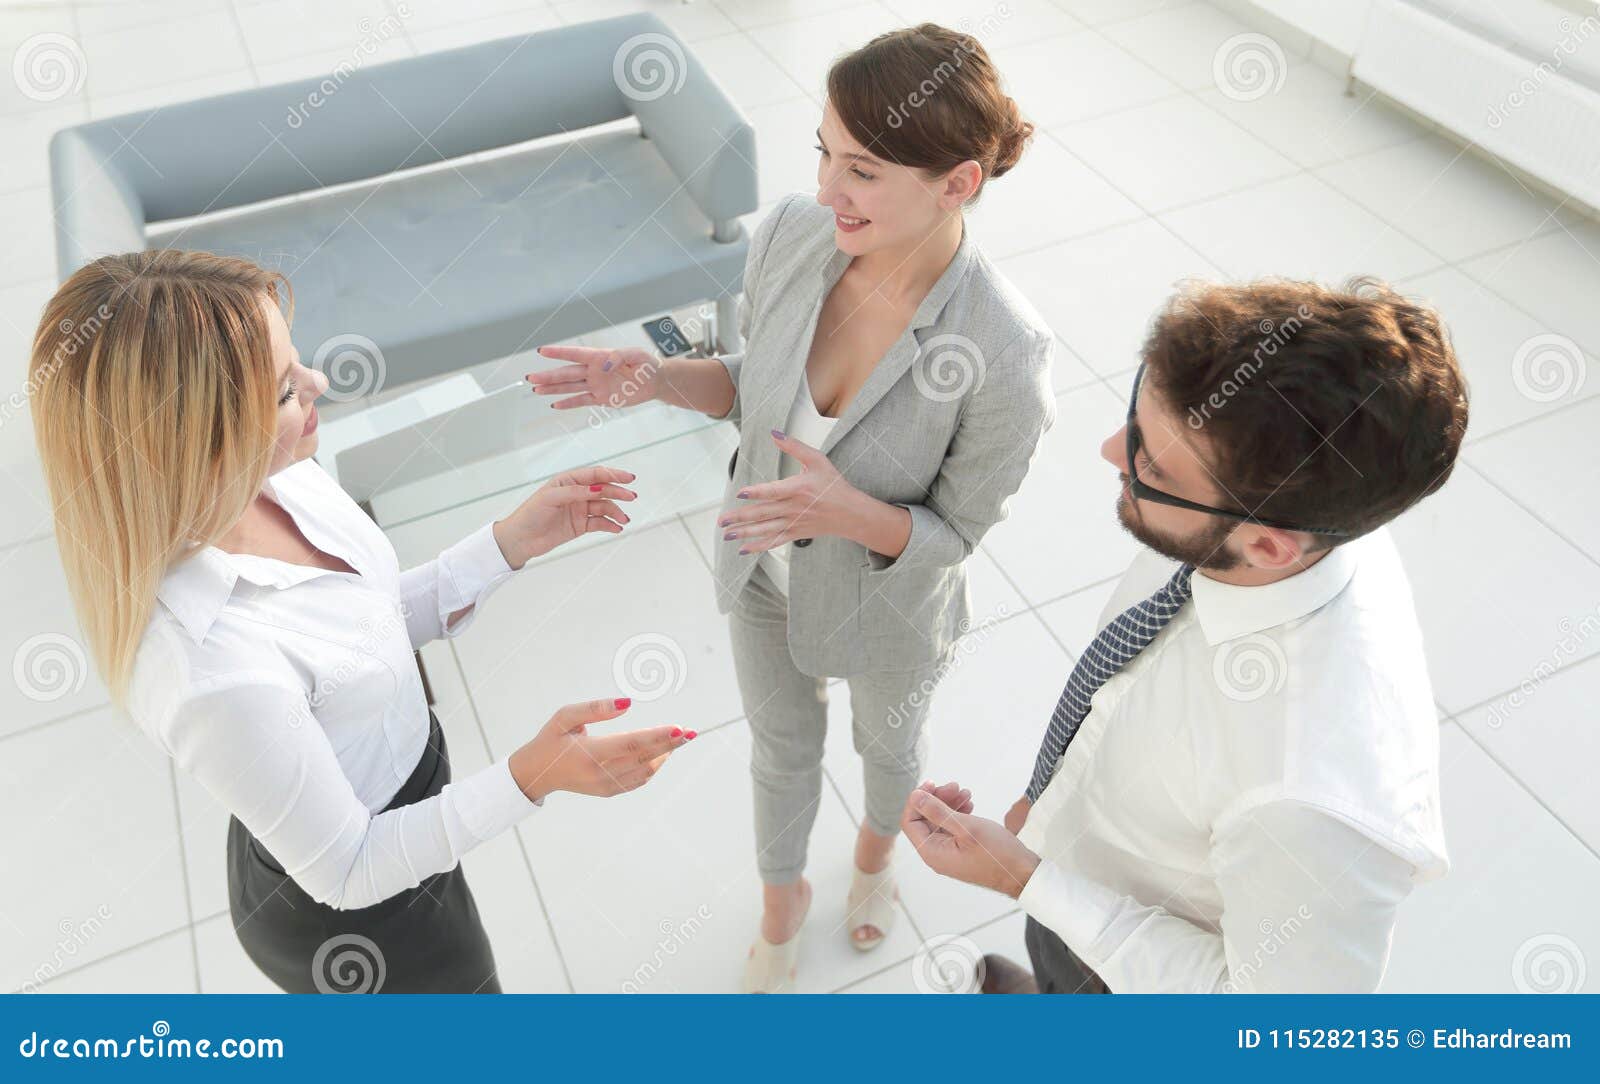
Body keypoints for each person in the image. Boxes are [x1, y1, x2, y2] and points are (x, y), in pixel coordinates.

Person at [527, 24, 1054, 991]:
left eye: (860, 170)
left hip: (890, 609)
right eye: (822, 151)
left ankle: (873, 861)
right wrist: (651, 379)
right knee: (781, 749)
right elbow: (747, 382)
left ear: (958, 184)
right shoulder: (792, 235)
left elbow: (960, 535)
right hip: (761, 573)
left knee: (889, 749)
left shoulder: (1005, 351)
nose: (825, 191)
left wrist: (846, 509)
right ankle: (782, 901)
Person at [30, 250, 697, 994]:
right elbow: (349, 868)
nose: (319, 385)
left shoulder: (277, 476)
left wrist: (512, 541)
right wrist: (533, 776)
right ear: (201, 441)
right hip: (357, 921)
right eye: (286, 389)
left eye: (297, 362)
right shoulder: (209, 671)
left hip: (386, 816)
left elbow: (364, 630)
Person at [903, 278, 1469, 993]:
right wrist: (1046, 820)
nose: (1112, 451)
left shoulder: (1311, 801)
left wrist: (1027, 878)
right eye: (1137, 423)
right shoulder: (1278, 527)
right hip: (1076, 894)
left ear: (1270, 548)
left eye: (1151, 463)